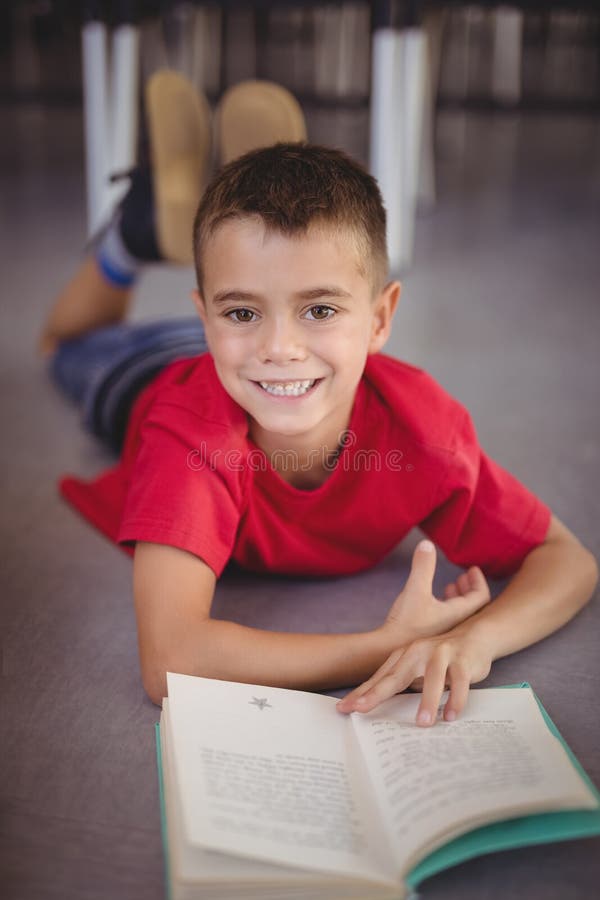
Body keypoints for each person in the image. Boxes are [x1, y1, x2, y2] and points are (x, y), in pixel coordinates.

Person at [41, 142, 598, 727]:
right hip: (147, 376)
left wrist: (473, 641)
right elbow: (170, 661)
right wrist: (385, 646)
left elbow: (567, 560)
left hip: (240, 365)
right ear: (208, 315)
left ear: (381, 320)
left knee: (263, 300)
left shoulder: (421, 433)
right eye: (240, 312)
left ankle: (257, 219)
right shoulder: (189, 437)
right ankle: (129, 241)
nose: (281, 347)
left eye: (321, 310)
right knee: (62, 348)